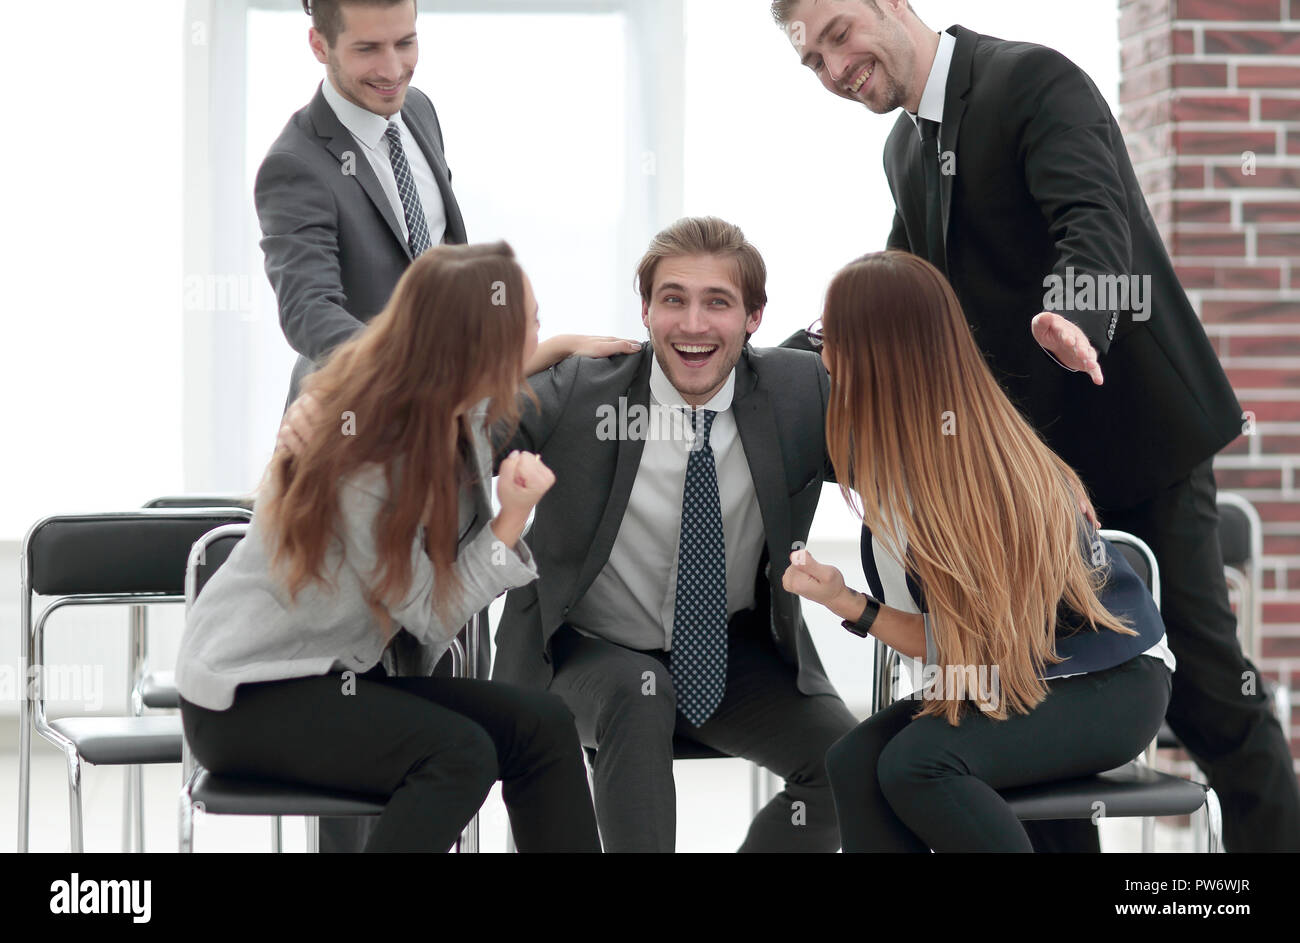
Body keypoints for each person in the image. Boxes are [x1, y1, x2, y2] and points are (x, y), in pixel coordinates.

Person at [772, 0, 1300, 852]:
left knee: (1211, 696)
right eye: (812, 62)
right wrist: (747, 366)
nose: (834, 69)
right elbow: (892, 304)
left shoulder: (1030, 80)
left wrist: (1075, 313)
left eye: (840, 35)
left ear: (893, 7)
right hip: (1030, 484)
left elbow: (1095, 221)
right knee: (1030, 710)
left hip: (1135, 449)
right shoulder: (905, 149)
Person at [282, 217, 860, 852]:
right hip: (581, 651)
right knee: (641, 694)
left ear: (753, 317)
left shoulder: (799, 390)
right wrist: (338, 419)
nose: (693, 325)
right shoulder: (582, 392)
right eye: (673, 300)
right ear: (644, 309)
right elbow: (447, 427)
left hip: (731, 656)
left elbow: (903, 452)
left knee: (846, 765)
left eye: (717, 303)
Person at [176, 243, 602, 853]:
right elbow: (430, 616)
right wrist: (511, 517)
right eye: (528, 323)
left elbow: (488, 362)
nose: (538, 332)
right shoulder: (368, 454)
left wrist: (563, 348)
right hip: (248, 700)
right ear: (480, 348)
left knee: (543, 725)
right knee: (460, 755)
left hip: (338, 673)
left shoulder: (448, 406)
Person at [784, 251, 1174, 851]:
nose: (820, 355)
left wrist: (850, 604)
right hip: (1020, 672)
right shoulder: (888, 438)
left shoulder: (970, 469)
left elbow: (960, 645)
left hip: (1111, 681)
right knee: (853, 762)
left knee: (917, 764)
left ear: (873, 353)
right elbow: (756, 375)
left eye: (827, 338)